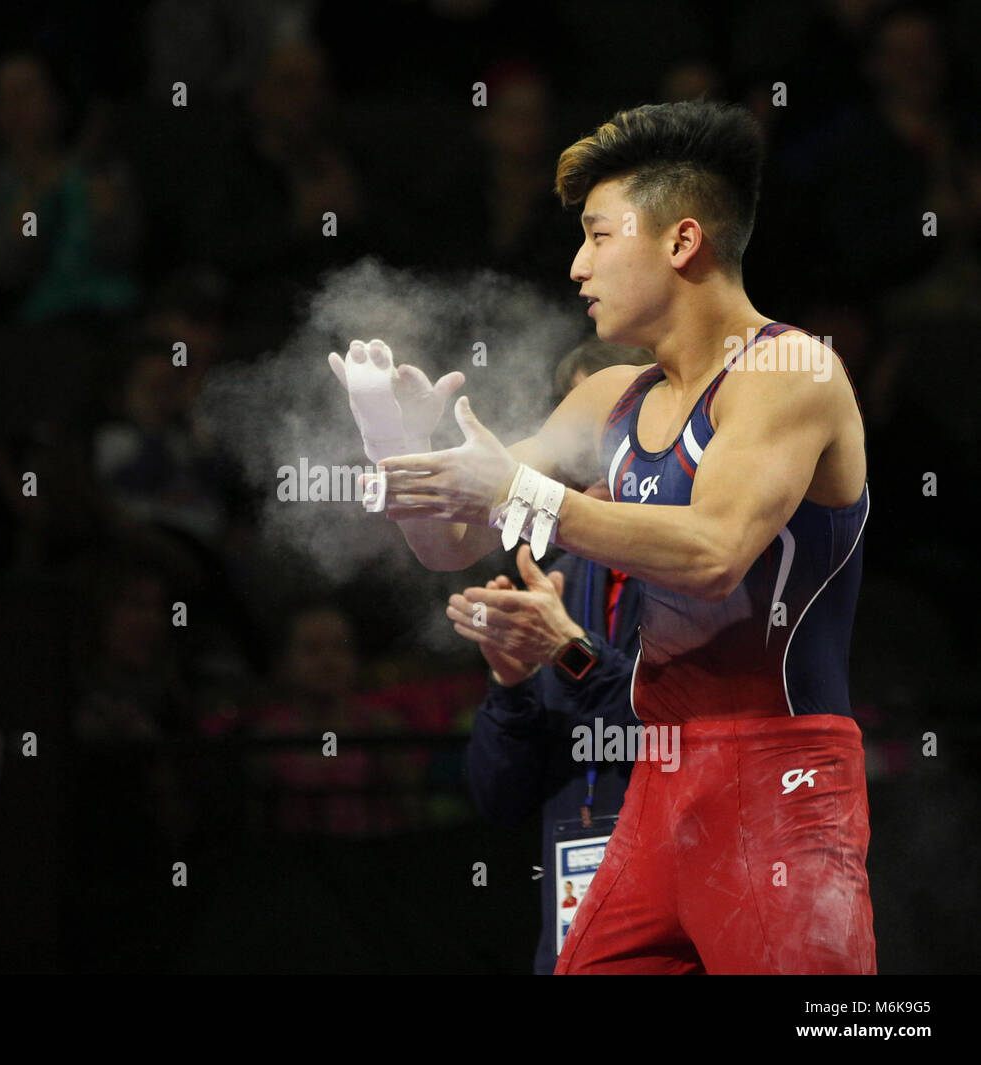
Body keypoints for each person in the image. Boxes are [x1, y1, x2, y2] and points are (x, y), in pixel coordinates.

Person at [330, 100, 874, 974]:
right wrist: (403, 450)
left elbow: (711, 554)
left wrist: (518, 485)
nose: (578, 264)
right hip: (658, 779)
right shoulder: (608, 399)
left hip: (777, 777)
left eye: (597, 235)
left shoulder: (788, 370)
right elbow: (454, 541)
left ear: (681, 241)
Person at [462, 340, 648, 975]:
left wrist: (567, 652)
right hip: (576, 928)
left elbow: (671, 735)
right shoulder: (559, 577)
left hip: (686, 909)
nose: (578, 452)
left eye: (601, 424)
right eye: (567, 425)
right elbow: (499, 800)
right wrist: (509, 683)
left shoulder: (710, 569)